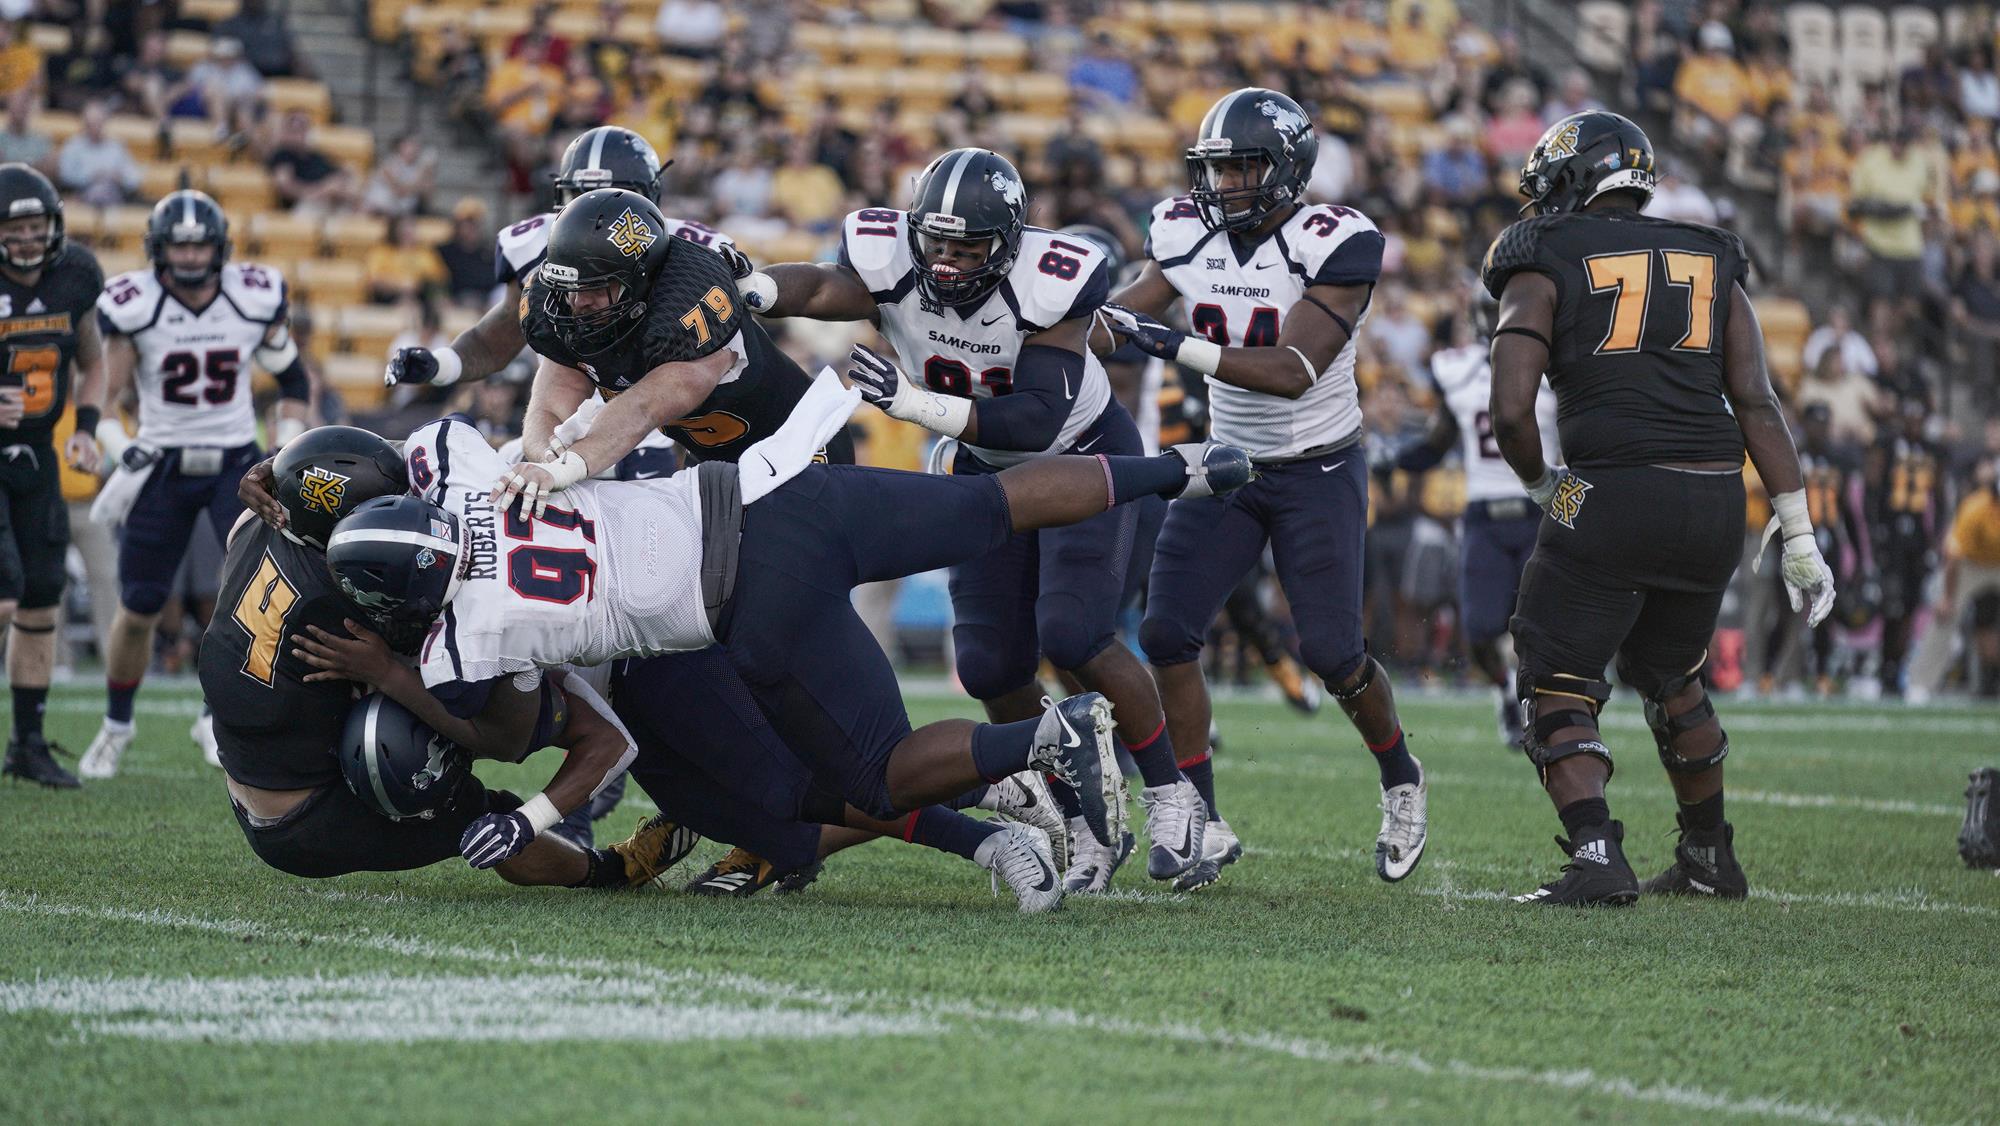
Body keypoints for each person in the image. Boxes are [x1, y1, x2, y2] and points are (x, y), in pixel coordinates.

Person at [295, 403, 1255, 912]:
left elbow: (514, 735)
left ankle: (1040, 746)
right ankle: (1182, 467)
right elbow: (431, 439)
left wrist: (391, 676)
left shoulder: (472, 639)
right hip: (769, 495)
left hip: (743, 609)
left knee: (860, 778)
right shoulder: (472, 471)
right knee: (989, 506)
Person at [734, 148, 1210, 892]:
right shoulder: (887, 249)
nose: (949, 262)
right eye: (938, 244)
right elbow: (830, 286)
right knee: (989, 664)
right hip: (980, 469)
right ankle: (1078, 812)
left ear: (1011, 242)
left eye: (969, 247)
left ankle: (1171, 790)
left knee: (1075, 634)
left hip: (1078, 455)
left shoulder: (1053, 279)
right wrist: (758, 289)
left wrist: (909, 402)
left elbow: (1034, 417)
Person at [1483, 111, 1834, 906]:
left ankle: (1597, 856)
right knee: (1671, 675)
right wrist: (1801, 533)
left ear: (1573, 180)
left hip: (1612, 489)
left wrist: (1547, 488)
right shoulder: (1711, 258)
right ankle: (1709, 856)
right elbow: (1757, 400)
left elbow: (1510, 412)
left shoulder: (1540, 257)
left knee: (1554, 671)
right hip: (1716, 498)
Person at [1094, 88, 1428, 891]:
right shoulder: (1185, 231)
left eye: (1244, 168)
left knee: (1333, 654)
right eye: (1216, 170)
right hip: (1230, 464)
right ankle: (1201, 820)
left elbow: (1289, 371)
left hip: (1317, 465)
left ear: (1286, 170)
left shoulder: (1335, 242)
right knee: (1168, 631)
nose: (1227, 186)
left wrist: (1170, 341)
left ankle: (1402, 778)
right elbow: (1122, 317)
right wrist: (1056, 323)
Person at [201, 426, 683, 885]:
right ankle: (609, 872)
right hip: (305, 816)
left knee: (482, 660)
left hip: (257, 758)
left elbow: (346, 472)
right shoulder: (346, 603)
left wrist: (278, 465)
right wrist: (392, 673)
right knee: (461, 775)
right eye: (390, 505)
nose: (409, 506)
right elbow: (504, 741)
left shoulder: (254, 523)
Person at [76, 191, 311, 779]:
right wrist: (115, 445)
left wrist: (285, 448)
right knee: (138, 607)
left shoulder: (251, 297)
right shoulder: (136, 305)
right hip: (161, 462)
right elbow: (107, 400)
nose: (187, 255)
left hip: (237, 464)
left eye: (198, 244)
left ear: (219, 248)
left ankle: (214, 716)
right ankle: (116, 724)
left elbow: (293, 380)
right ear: (158, 249)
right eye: (178, 244)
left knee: (241, 598)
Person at [1386, 290, 1556, 748]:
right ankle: (1505, 690)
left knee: (1538, 629)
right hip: (1482, 514)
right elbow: (1439, 440)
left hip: (1542, 512)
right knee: (1481, 627)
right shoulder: (1456, 371)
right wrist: (1395, 460)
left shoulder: (1554, 370)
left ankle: (1537, 708)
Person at [0, 166, 106, 789]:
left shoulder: (75, 276)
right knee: (5, 592)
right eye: (16, 228)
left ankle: (28, 744)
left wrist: (87, 428)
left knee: (42, 599)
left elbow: (91, 361)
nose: (29, 238)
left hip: (36, 453)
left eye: (37, 225)